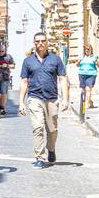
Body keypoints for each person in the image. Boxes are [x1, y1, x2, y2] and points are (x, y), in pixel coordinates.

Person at [20, 32, 68, 168]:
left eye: (42, 41)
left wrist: (65, 99)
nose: (40, 44)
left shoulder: (56, 59)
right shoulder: (28, 61)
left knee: (52, 129)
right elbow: (24, 81)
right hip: (35, 98)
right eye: (37, 41)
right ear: (34, 43)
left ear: (47, 42)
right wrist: (21, 102)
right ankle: (39, 157)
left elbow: (63, 78)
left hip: (52, 98)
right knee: (38, 127)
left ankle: (51, 148)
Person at [74, 45, 99, 112]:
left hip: (91, 74)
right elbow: (77, 65)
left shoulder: (95, 57)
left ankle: (87, 104)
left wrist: (97, 63)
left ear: (91, 49)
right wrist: (78, 62)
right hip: (82, 74)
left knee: (88, 89)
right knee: (83, 90)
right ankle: (90, 102)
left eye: (88, 49)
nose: (87, 50)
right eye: (86, 49)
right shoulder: (82, 57)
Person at [0, 42, 15, 116]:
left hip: (5, 77)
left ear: (5, 51)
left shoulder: (8, 57)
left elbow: (13, 65)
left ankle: (3, 108)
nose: (1, 52)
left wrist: (7, 65)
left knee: (3, 92)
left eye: (2, 51)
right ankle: (1, 107)